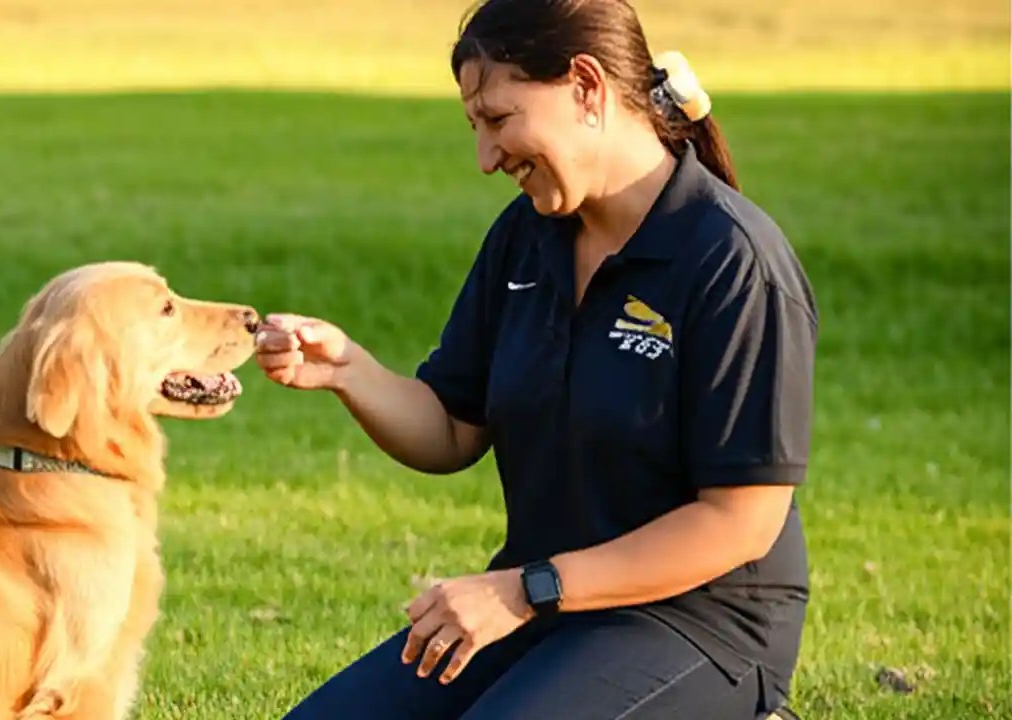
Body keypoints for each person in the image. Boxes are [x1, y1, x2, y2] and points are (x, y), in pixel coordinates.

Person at [252, 0, 816, 717]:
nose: (486, 159)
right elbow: (453, 429)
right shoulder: (529, 236)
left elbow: (739, 523)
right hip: (544, 611)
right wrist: (347, 371)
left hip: (700, 628)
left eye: (498, 119)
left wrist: (525, 589)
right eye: (475, 128)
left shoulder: (732, 260)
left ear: (585, 87)